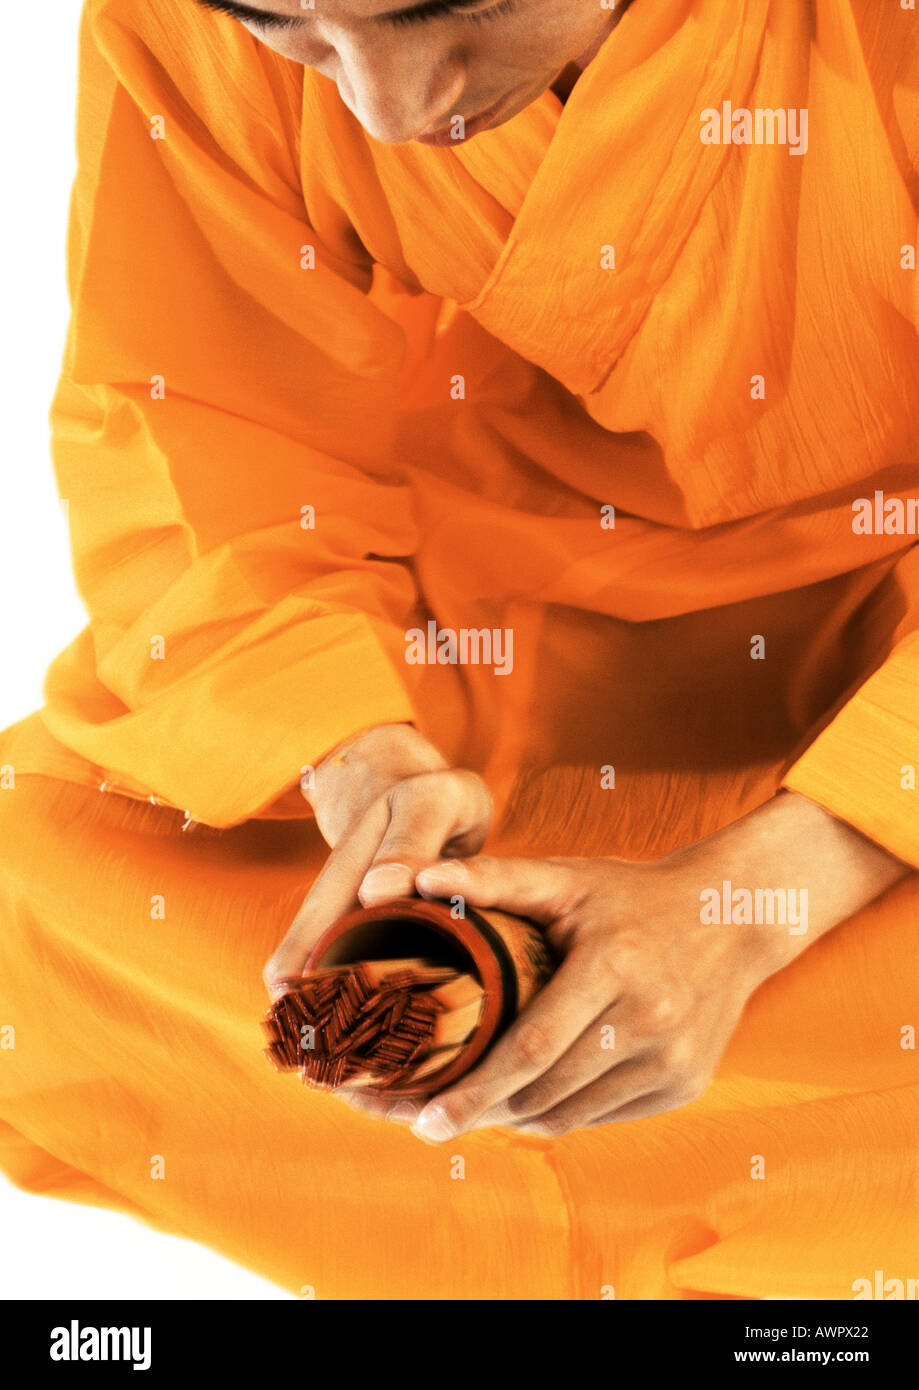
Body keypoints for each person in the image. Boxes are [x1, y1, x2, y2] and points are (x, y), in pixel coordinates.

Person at [0, 0, 917, 1300]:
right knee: (42, 897)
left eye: (447, 8)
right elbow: (210, 435)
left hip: (888, 661)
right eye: (287, 24)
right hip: (491, 606)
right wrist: (360, 762)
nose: (386, 104)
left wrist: (760, 899)